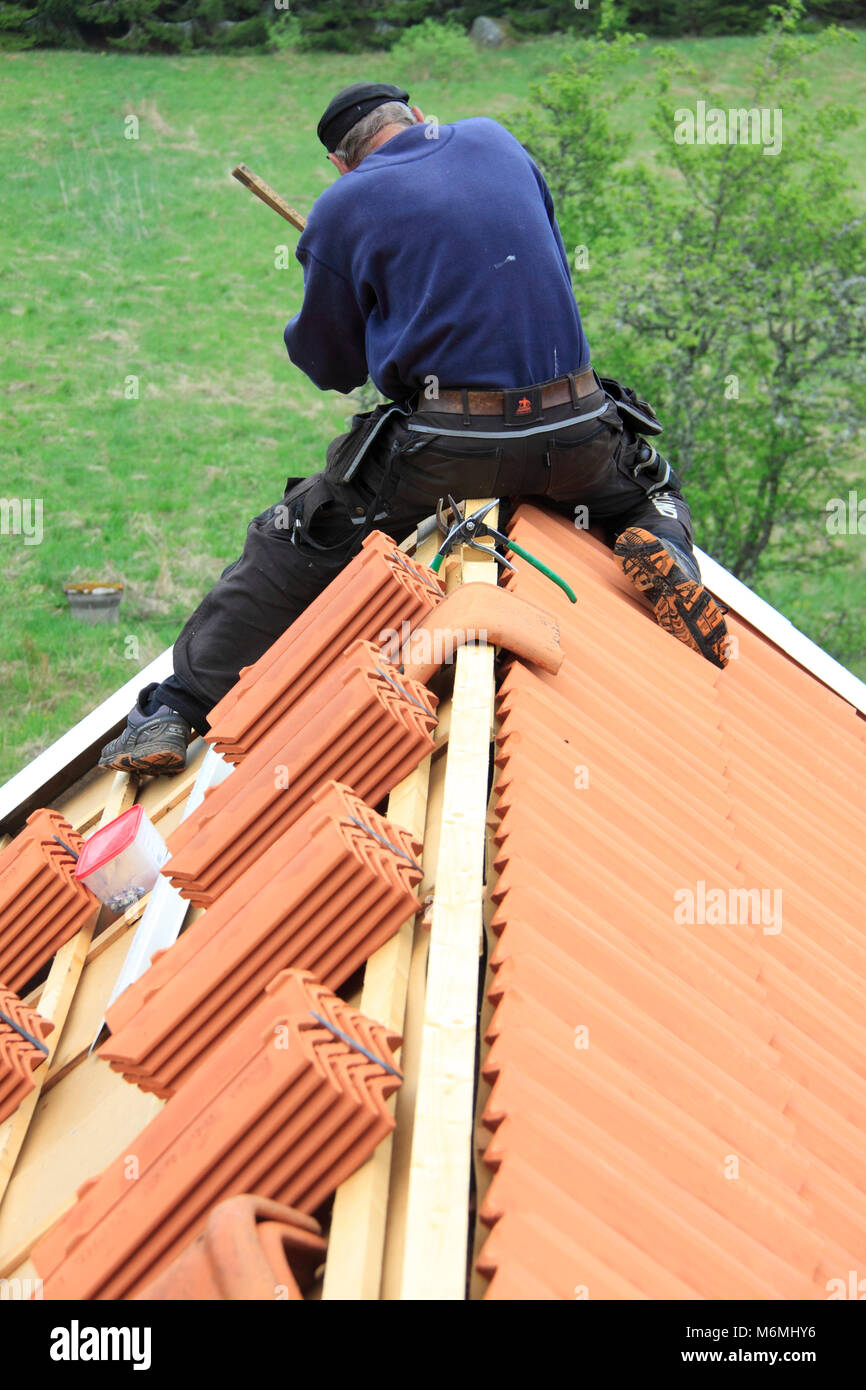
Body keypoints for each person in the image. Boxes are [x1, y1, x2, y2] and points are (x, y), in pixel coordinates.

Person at [100, 82, 728, 776]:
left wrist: (366, 298)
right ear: (420, 117)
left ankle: (175, 710)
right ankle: (670, 554)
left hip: (450, 451)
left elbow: (330, 365)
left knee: (288, 541)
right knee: (646, 489)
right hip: (577, 430)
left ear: (342, 165)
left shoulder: (343, 207)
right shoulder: (495, 139)